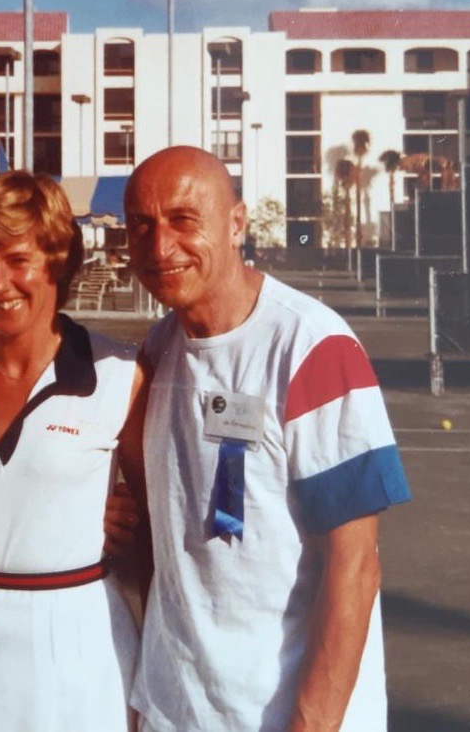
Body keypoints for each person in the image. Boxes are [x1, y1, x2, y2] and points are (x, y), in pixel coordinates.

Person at [122, 146, 411, 732]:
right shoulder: (155, 354)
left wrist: (310, 723)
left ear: (236, 223)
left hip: (284, 717)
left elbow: (356, 567)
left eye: (184, 220)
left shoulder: (312, 348)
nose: (160, 247)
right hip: (178, 712)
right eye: (142, 226)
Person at [0, 171, 148, 732]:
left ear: (58, 260)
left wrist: (130, 527)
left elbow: (154, 533)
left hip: (78, 638)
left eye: (18, 260)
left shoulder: (119, 375)